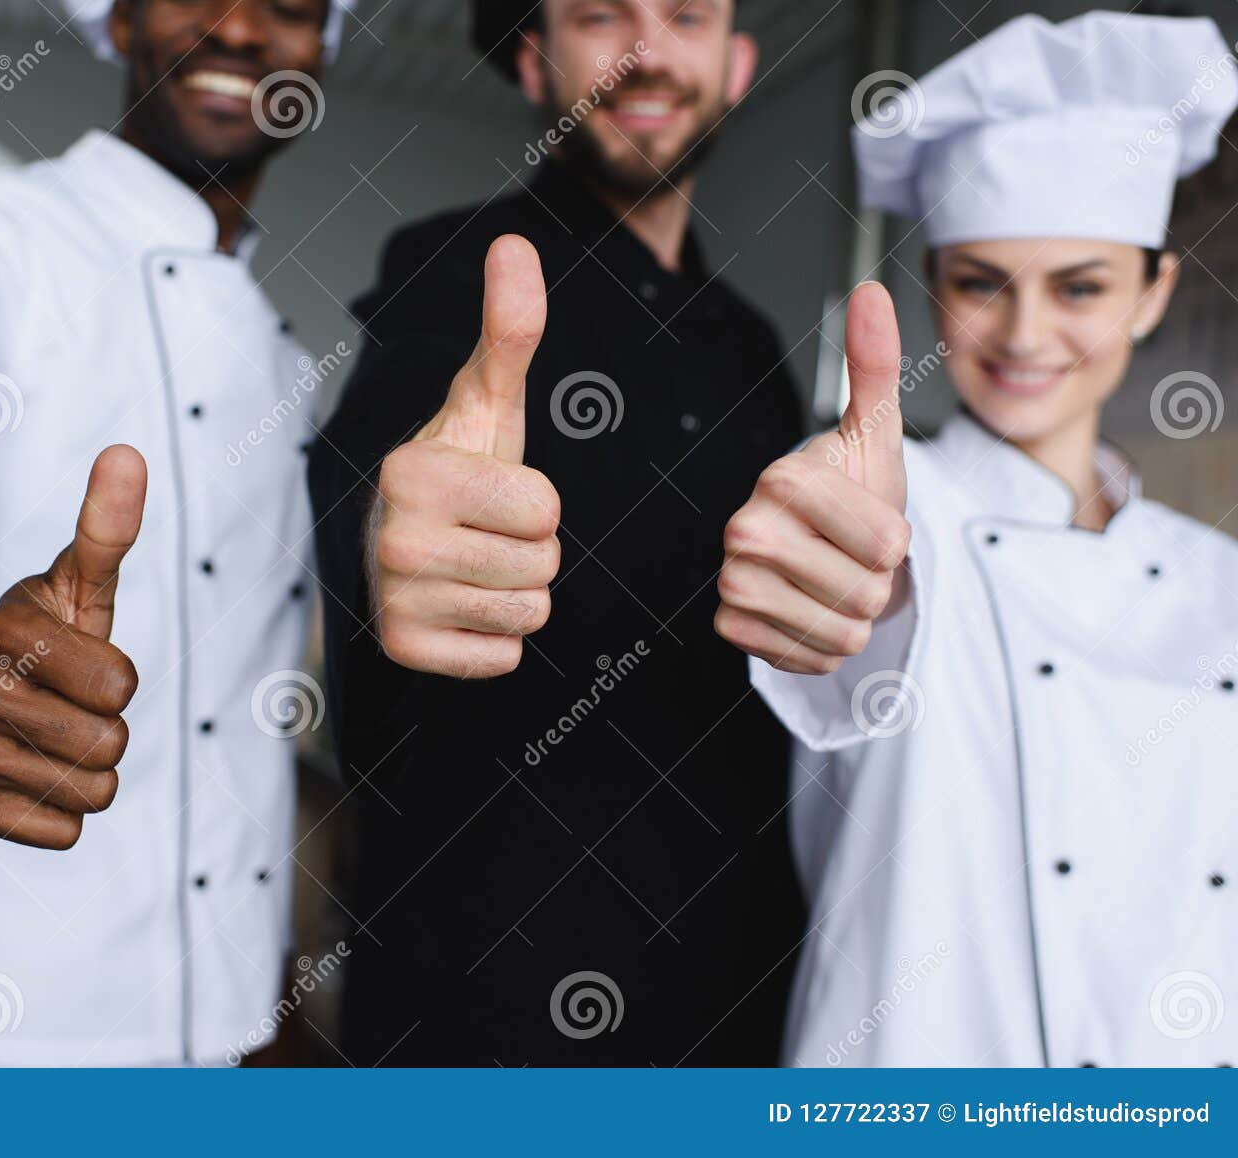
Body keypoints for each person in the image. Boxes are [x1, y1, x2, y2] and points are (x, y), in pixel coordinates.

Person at [0, 0, 355, 1067]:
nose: (239, 32)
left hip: (210, 1035)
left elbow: (230, 728)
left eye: (290, 8)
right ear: (119, 20)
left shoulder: (278, 359)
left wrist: (253, 983)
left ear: (323, 47)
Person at [716, 11, 1238, 1066]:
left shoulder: (1217, 577)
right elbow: (844, 610)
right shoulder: (908, 521)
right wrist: (804, 567)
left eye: (1080, 285)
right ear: (932, 293)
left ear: (1153, 294)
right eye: (978, 282)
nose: (1026, 335)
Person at [309, 0, 809, 1064]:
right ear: (535, 64)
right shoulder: (457, 269)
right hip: (484, 990)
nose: (646, 50)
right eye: (597, 15)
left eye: (684, 14)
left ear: (737, 62)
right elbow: (372, 472)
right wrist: (382, 540)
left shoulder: (758, 352)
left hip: (737, 985)